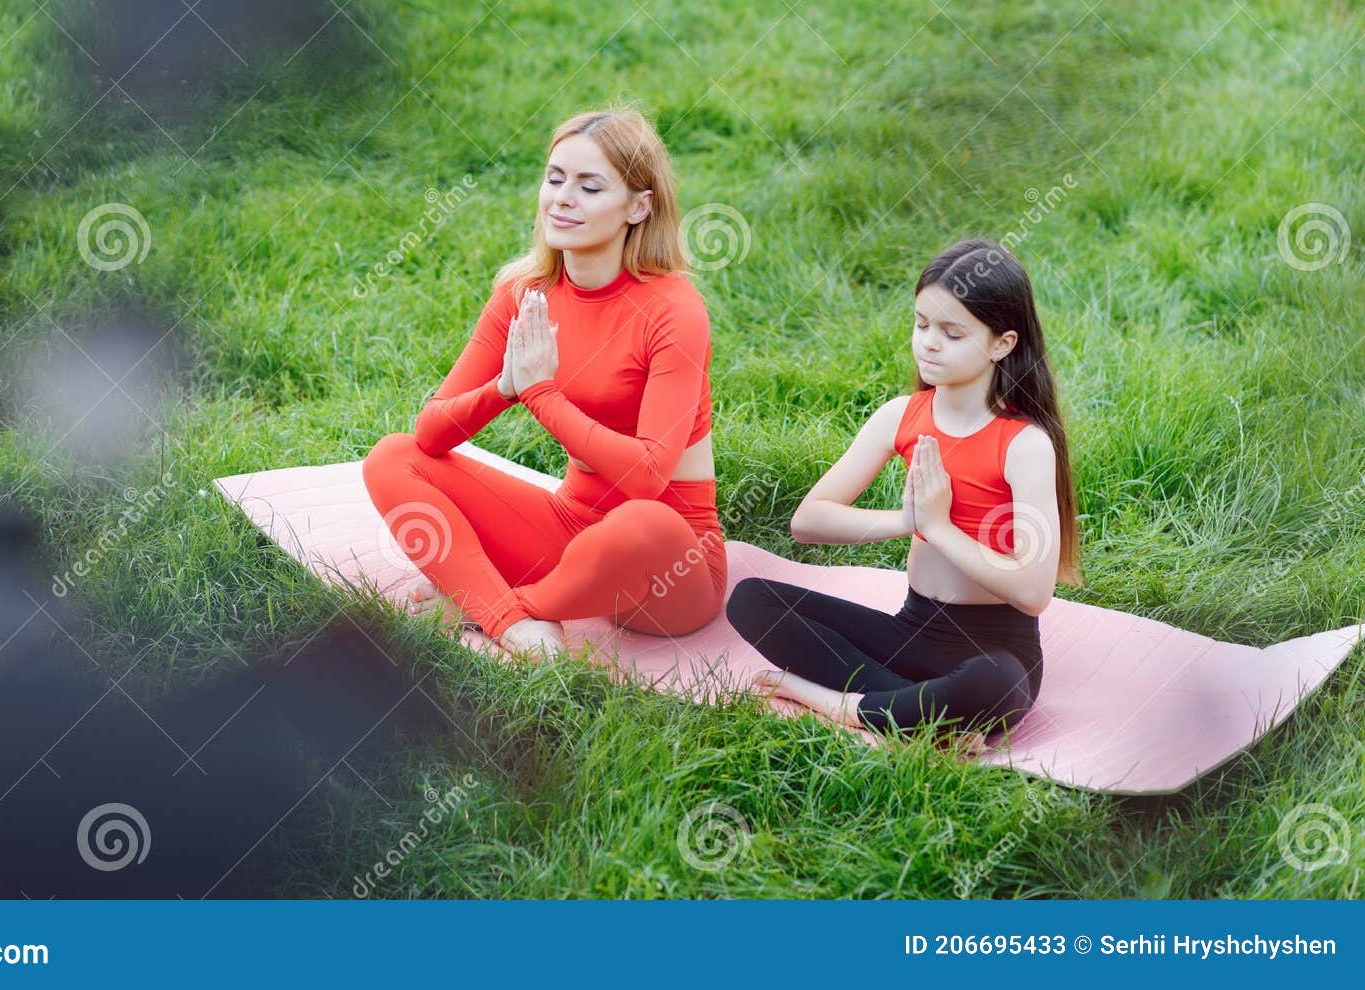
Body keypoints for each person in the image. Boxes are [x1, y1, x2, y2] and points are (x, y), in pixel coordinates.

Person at [362, 108, 726, 659]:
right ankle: (513, 625)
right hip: (568, 530)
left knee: (641, 523)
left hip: (668, 566)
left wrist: (541, 394)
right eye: (555, 178)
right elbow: (431, 433)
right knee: (393, 457)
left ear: (637, 206)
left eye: (589, 186)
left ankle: (503, 605)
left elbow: (648, 479)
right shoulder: (522, 292)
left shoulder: (675, 309)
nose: (562, 198)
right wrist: (505, 388)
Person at [728, 239, 1081, 741]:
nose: (929, 343)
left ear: (1002, 343)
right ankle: (919, 715)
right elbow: (807, 522)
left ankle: (832, 701)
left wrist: (939, 528)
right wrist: (905, 522)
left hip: (994, 647)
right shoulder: (901, 415)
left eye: (952, 333)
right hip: (911, 630)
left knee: (991, 685)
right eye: (921, 325)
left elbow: (1032, 592)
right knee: (751, 600)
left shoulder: (1025, 444)